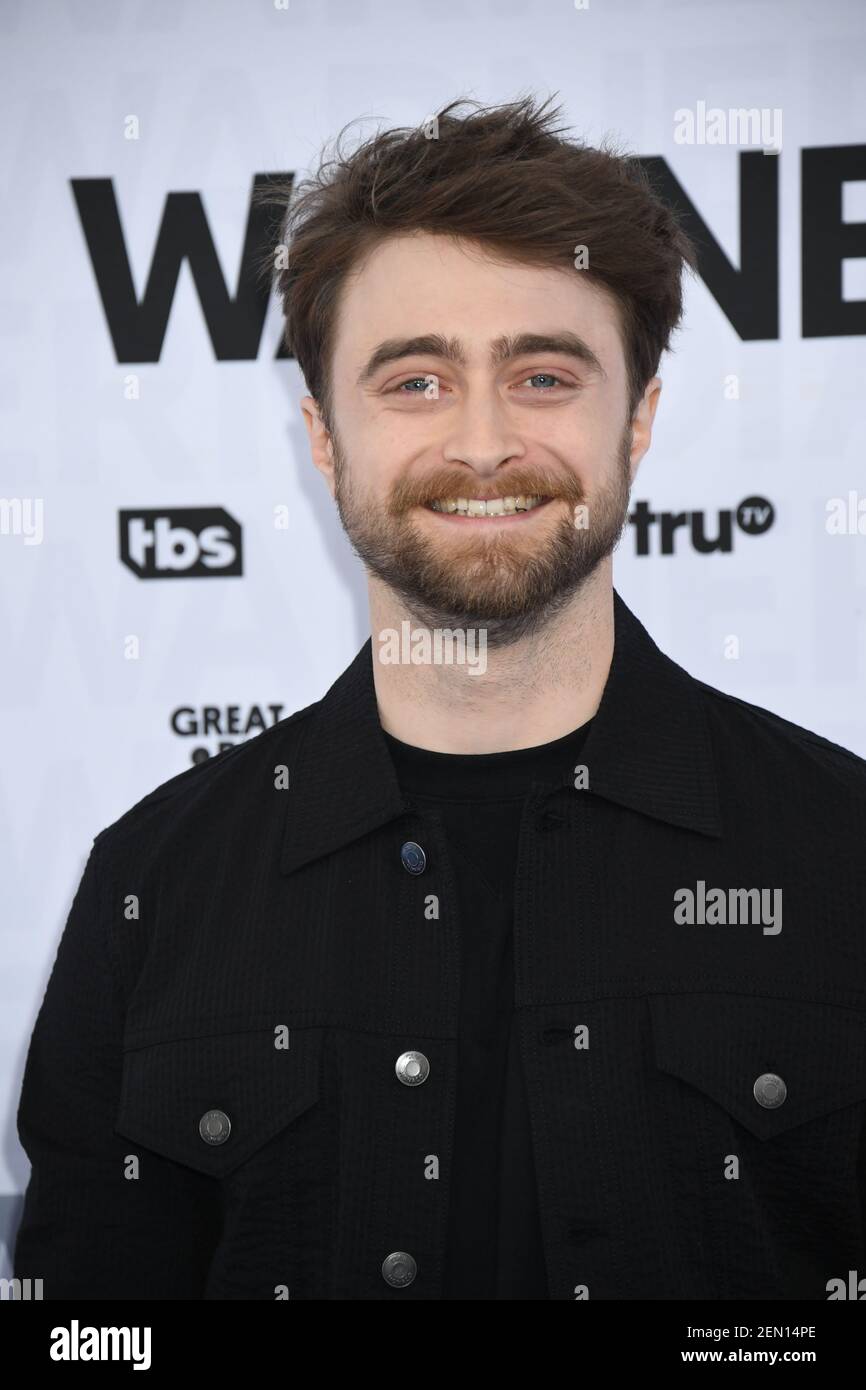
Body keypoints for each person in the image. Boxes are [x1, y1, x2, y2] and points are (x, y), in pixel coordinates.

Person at [14, 94, 866, 1300]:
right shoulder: (153, 886)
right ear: (321, 437)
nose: (480, 442)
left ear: (641, 422)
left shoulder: (843, 852)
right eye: (414, 381)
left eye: (542, 374)